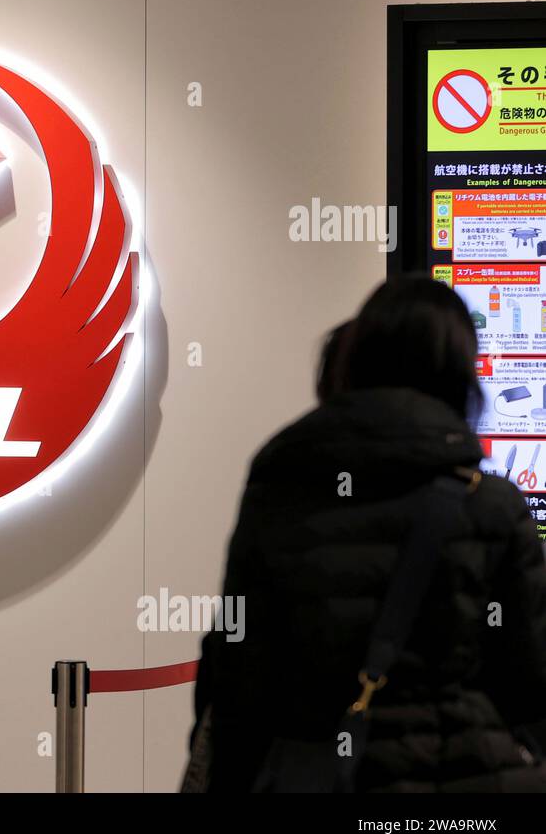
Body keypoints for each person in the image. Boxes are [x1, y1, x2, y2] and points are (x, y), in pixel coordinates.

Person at [190, 276, 546, 792]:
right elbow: (529, 679)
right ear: (459, 377)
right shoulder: (490, 507)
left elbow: (237, 662)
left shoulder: (282, 484)